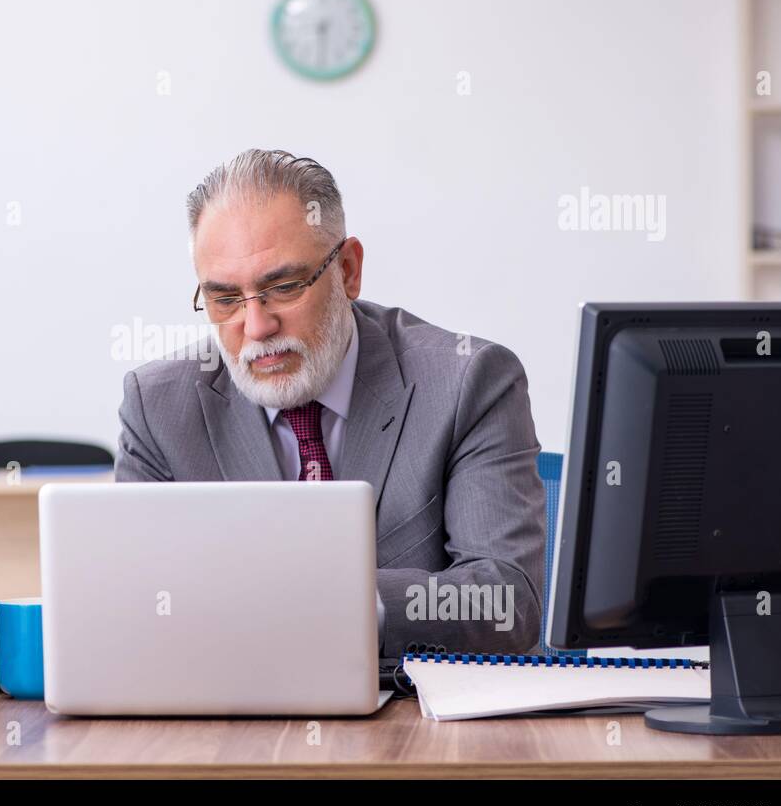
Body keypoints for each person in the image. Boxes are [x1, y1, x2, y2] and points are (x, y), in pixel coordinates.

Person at [115, 149, 545, 656]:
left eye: (284, 287)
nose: (256, 327)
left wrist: (320, 600)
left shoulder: (468, 381)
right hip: (228, 709)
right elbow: (132, 604)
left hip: (410, 717)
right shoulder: (158, 406)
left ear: (347, 269)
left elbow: (505, 604)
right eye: (225, 299)